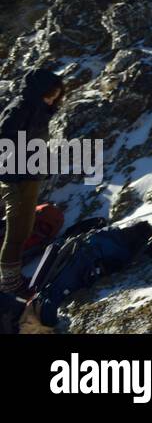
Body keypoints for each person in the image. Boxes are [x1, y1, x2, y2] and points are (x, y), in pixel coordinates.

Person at [0, 68, 65, 293]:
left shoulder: (39, 110)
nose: (52, 99)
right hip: (14, 180)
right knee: (16, 232)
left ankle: (12, 280)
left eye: (56, 95)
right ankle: (10, 285)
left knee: (25, 230)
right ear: (39, 91)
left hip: (28, 177)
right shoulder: (19, 109)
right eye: (50, 94)